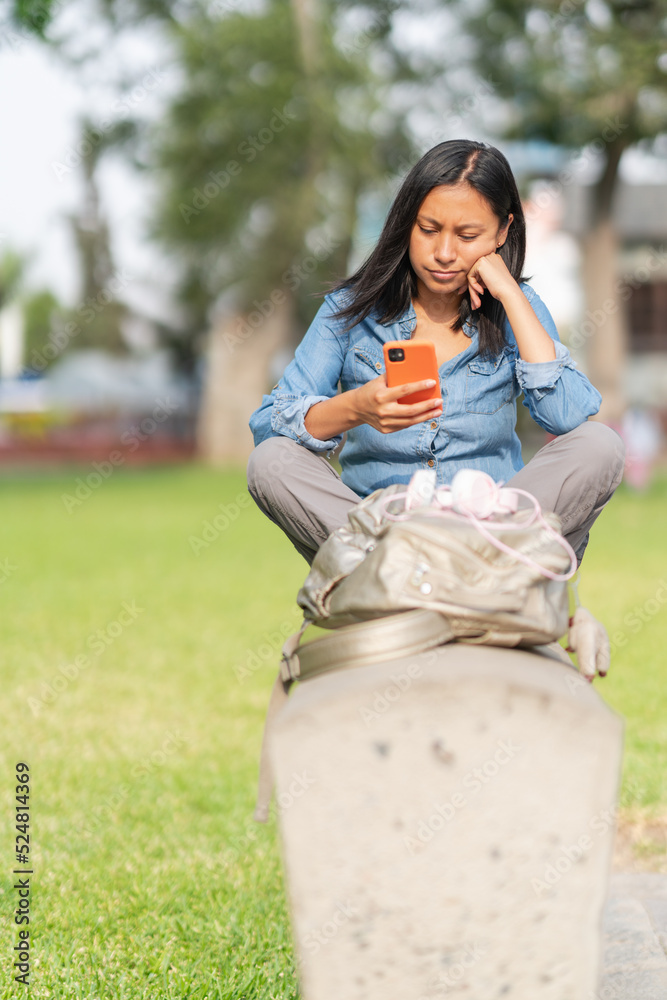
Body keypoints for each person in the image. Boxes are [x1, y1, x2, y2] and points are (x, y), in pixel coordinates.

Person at [247, 139, 625, 568]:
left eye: (468, 236)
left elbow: (569, 415)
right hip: (380, 534)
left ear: (502, 232)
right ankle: (396, 568)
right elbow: (269, 425)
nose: (444, 254)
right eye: (429, 230)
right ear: (407, 222)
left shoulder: (518, 309)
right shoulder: (349, 310)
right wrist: (355, 408)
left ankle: (479, 565)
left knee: (600, 444)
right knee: (271, 462)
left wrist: (512, 295)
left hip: (490, 530)